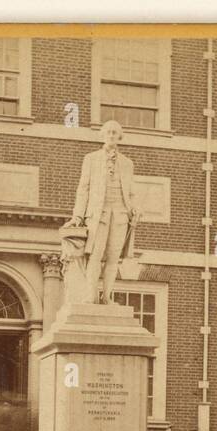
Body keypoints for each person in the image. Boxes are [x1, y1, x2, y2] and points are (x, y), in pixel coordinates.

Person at [66, 120, 139, 305]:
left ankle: (106, 296)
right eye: (108, 132)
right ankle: (90, 296)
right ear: (102, 135)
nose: (112, 135)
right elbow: (83, 189)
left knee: (114, 258)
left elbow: (130, 192)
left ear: (119, 137)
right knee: (95, 256)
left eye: (115, 132)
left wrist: (135, 208)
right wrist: (77, 216)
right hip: (98, 215)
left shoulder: (127, 163)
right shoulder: (91, 159)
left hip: (121, 215)